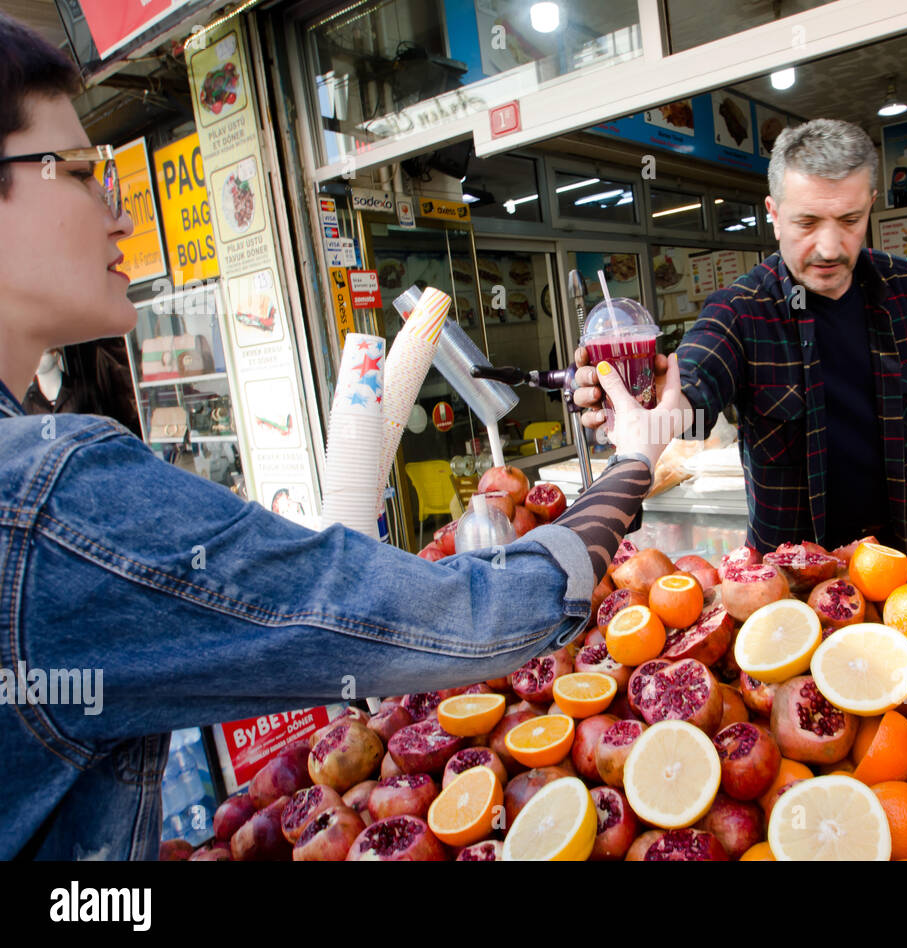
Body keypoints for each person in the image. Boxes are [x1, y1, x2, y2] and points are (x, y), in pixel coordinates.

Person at [0, 13, 685, 861]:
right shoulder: (47, 495)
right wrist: (633, 458)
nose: (119, 216)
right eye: (78, 172)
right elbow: (447, 616)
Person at [574, 119, 907, 567]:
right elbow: (691, 388)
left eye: (849, 220)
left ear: (870, 205)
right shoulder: (741, 311)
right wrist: (643, 415)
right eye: (807, 222)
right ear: (775, 214)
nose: (829, 247)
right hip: (793, 580)